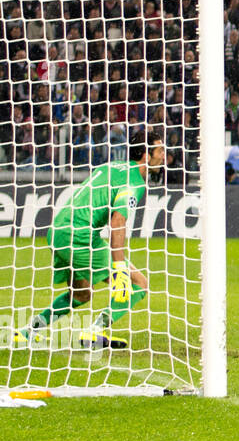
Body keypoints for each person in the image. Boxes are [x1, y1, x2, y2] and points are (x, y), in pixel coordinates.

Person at [12, 131, 165, 349]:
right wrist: (119, 268)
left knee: (82, 293)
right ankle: (94, 332)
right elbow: (117, 223)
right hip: (80, 235)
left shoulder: (111, 166)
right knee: (138, 282)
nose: (164, 156)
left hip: (58, 230)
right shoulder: (135, 182)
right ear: (145, 155)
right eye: (160, 151)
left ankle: (27, 332)